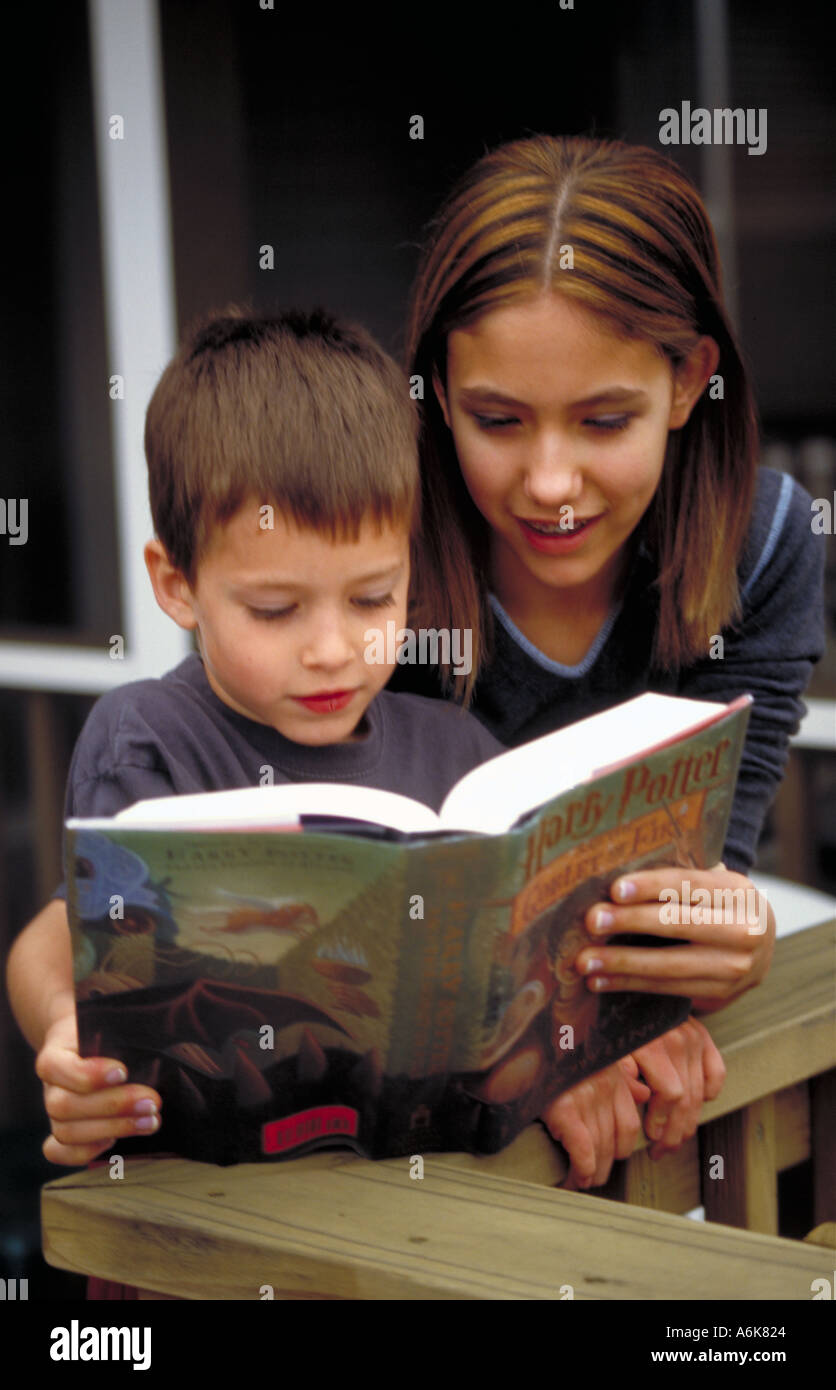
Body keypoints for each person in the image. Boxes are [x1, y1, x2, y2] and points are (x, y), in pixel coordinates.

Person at [7, 307, 659, 1201]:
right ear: (177, 585)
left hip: (434, 1221)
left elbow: (524, 989)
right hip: (213, 1229)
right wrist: (62, 1035)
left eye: (372, 599)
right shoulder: (153, 738)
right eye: (275, 611)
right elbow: (61, 935)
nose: (331, 649)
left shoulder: (455, 750)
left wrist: (566, 1057)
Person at [390, 133, 825, 1171]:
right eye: (497, 418)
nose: (549, 480)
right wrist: (539, 1041)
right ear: (439, 396)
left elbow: (705, 857)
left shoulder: (757, 546)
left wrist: (728, 940)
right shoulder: (368, 563)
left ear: (685, 384)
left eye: (602, 419)